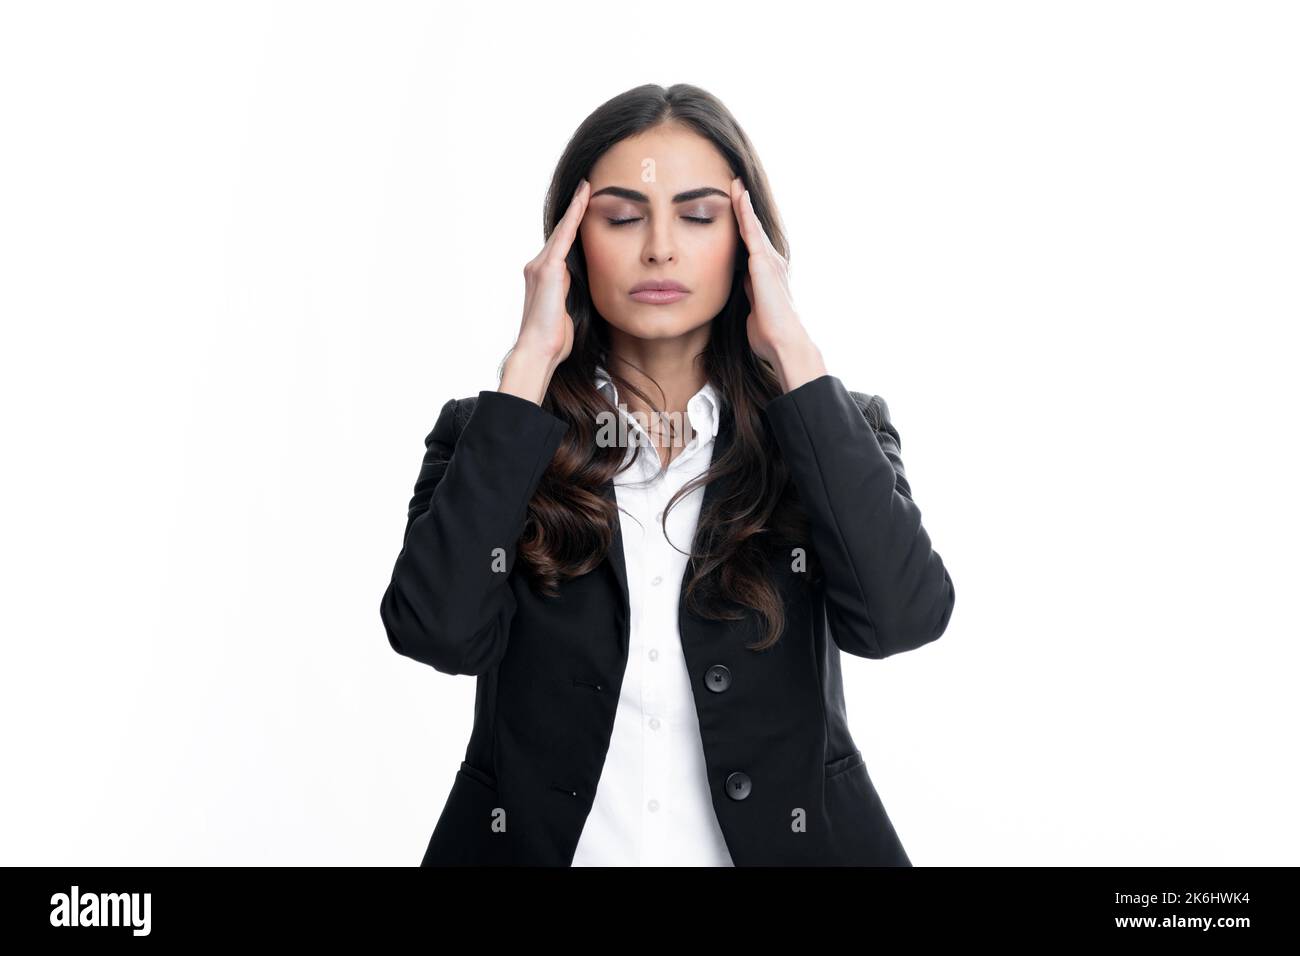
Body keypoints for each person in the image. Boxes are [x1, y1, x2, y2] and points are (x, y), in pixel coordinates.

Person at [379, 83, 956, 866]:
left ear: (750, 242)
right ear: (571, 245)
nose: (659, 248)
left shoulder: (827, 429)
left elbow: (902, 620)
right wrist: (526, 369)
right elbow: (435, 632)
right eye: (621, 217)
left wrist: (795, 358)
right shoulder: (495, 436)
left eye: (698, 215)